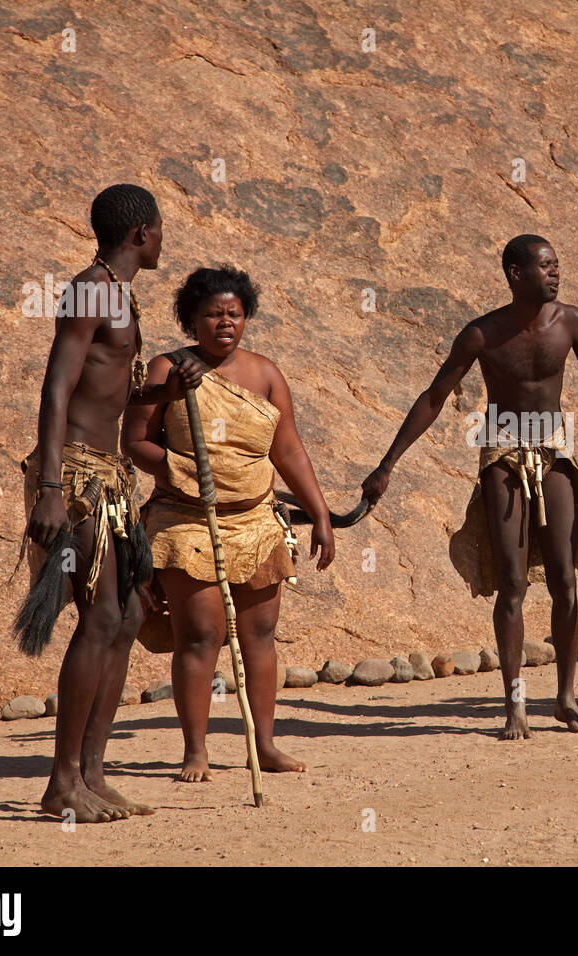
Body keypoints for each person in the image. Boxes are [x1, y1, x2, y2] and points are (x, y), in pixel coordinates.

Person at [361, 235, 578, 739]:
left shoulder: (572, 322)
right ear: (516, 274)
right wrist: (387, 464)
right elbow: (434, 398)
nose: (555, 274)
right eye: (544, 267)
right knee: (513, 582)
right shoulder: (483, 333)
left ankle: (565, 698)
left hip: (557, 447)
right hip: (501, 449)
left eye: (557, 265)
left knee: (565, 578)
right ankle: (515, 703)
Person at [19, 183, 201, 823]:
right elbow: (57, 387)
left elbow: (111, 395)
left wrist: (170, 387)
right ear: (140, 234)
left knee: (124, 618)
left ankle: (92, 771)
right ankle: (61, 783)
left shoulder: (117, 295)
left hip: (109, 476)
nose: (162, 240)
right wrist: (47, 486)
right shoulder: (92, 290)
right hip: (75, 478)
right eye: (160, 230)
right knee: (99, 621)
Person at [122, 266, 334, 780]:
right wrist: (183, 468)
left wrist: (321, 516)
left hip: (257, 519)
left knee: (261, 635)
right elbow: (134, 442)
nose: (224, 323)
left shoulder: (264, 373)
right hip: (187, 520)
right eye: (213, 314)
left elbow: (288, 449)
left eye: (233, 314)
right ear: (191, 319)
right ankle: (196, 750)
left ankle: (263, 746)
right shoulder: (166, 370)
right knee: (201, 635)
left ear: (246, 318)